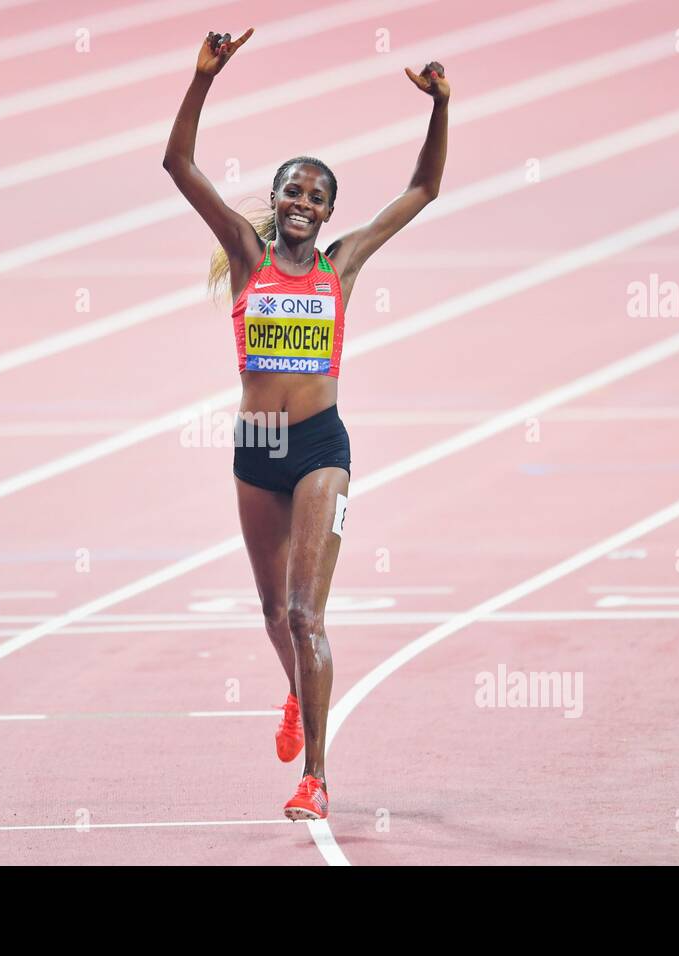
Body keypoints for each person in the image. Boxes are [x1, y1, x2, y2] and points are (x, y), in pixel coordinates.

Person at [162, 27, 450, 821]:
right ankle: (297, 695)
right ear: (278, 198)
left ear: (328, 214)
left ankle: (316, 779)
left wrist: (441, 108)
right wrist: (202, 79)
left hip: (321, 445)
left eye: (315, 196)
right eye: (291, 190)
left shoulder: (344, 264)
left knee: (303, 613)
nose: (300, 204)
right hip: (257, 446)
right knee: (268, 612)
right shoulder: (248, 259)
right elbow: (178, 167)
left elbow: (423, 190)